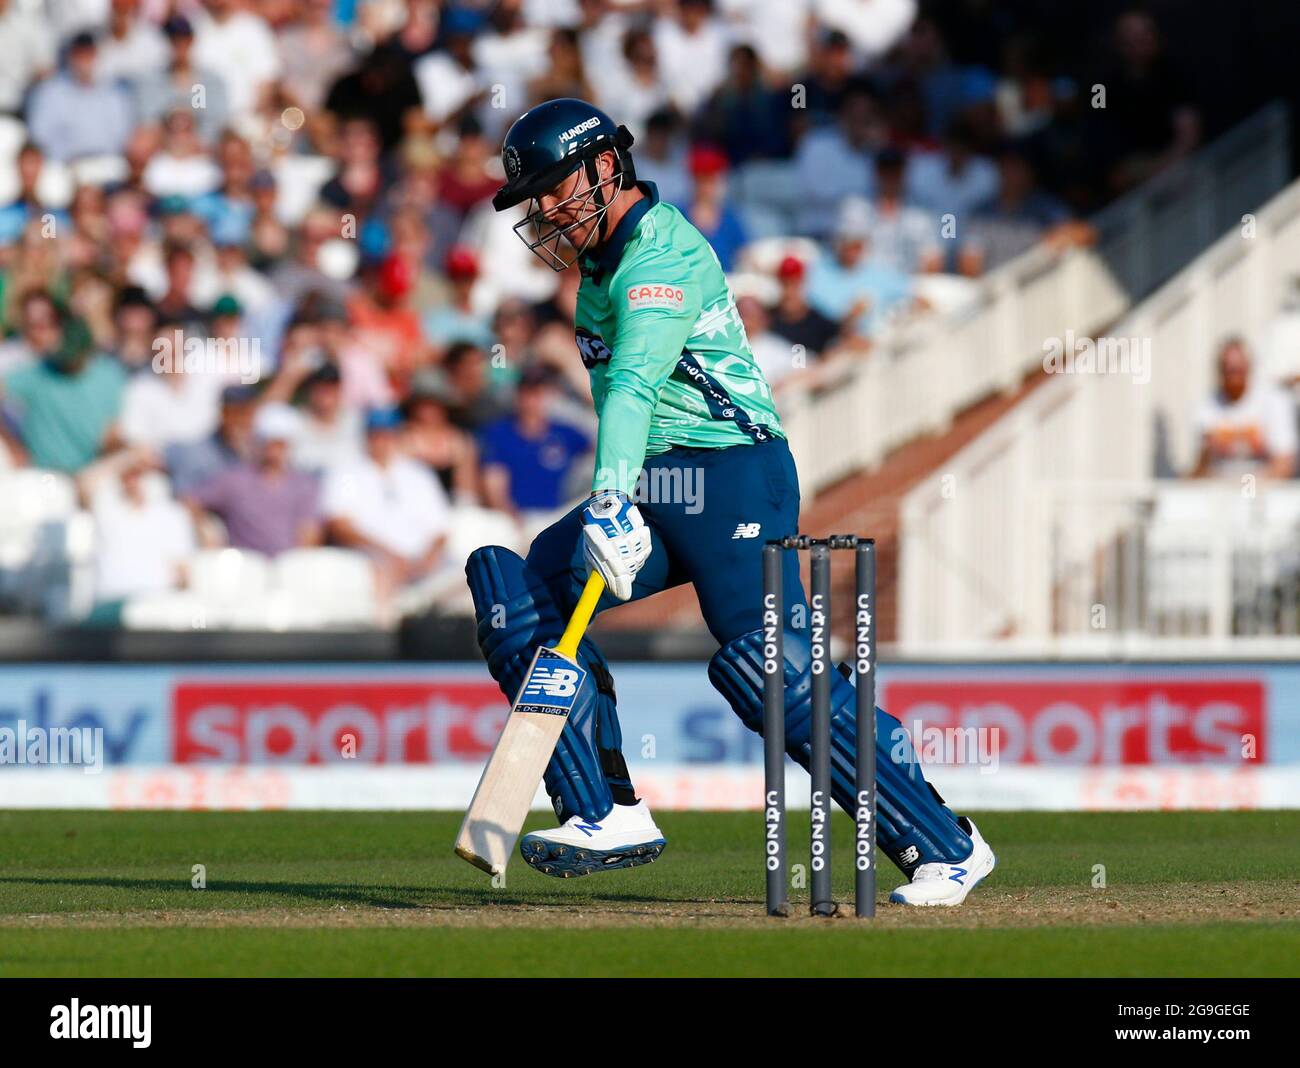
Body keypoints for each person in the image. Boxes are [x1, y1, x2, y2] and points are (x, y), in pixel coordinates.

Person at [470, 97, 994, 905]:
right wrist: (627, 494)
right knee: (516, 591)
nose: (545, 211)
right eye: (532, 199)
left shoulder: (662, 255)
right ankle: (604, 810)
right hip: (658, 483)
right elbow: (629, 407)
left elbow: (634, 385)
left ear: (605, 167)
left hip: (734, 474)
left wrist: (608, 499)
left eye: (553, 189)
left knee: (767, 671)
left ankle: (946, 845)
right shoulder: (597, 271)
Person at [1191, 339, 1297, 481]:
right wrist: (1206, 451)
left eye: (1237, 369)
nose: (1233, 376)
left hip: (1265, 489)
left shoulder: (1273, 401)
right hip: (1219, 489)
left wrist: (1250, 486)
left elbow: (1285, 463)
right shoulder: (1207, 405)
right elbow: (1199, 470)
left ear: (1248, 368)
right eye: (1228, 369)